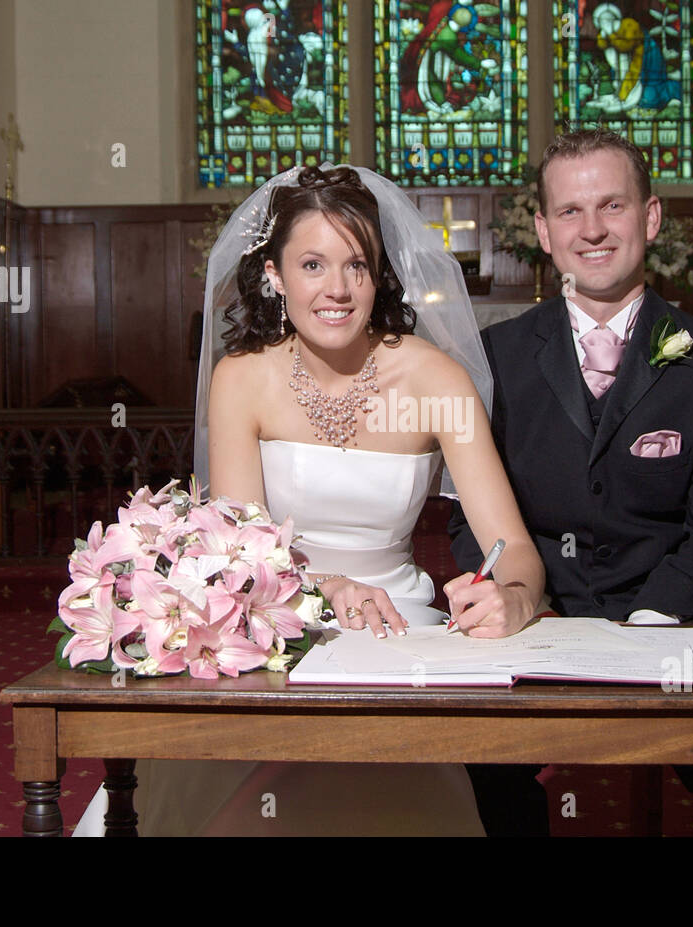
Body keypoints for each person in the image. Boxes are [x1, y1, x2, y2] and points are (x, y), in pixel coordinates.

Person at [73, 164, 546, 836]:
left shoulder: (435, 378)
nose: (337, 289)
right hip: (274, 620)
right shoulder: (242, 379)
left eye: (357, 265)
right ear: (274, 274)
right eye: (313, 264)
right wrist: (325, 588)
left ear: (379, 273)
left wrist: (515, 597)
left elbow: (513, 546)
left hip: (399, 624)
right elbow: (236, 554)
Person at [448, 128, 693, 837]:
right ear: (544, 232)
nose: (593, 230)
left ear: (650, 217)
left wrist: (648, 622)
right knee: (470, 754)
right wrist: (520, 599)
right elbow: (469, 519)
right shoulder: (495, 359)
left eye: (612, 206)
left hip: (679, 607)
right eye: (570, 212)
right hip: (539, 608)